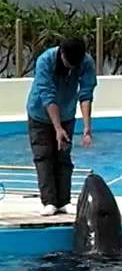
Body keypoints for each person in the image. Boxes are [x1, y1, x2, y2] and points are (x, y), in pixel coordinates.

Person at [26, 36, 97, 216]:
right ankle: (49, 201)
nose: (71, 68)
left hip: (66, 113)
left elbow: (86, 93)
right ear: (62, 53)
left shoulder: (86, 62)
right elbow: (47, 95)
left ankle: (64, 201)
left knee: (63, 157)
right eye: (69, 63)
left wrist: (87, 128)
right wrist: (58, 128)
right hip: (40, 114)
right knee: (44, 156)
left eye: (75, 65)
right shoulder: (45, 61)